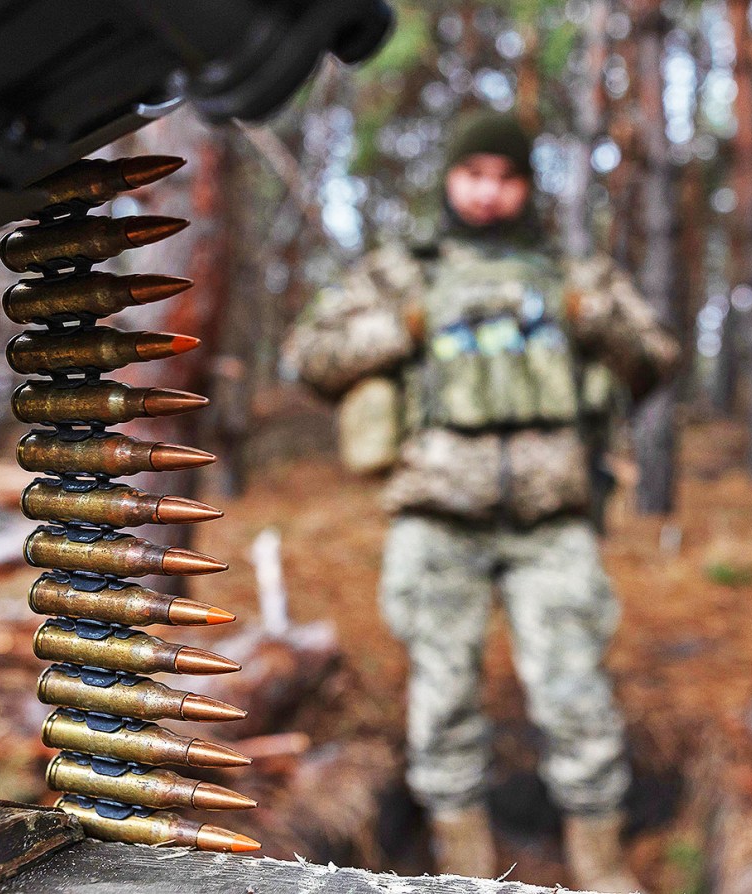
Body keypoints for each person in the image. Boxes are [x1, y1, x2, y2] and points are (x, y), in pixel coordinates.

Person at [288, 109, 678, 892]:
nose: (488, 193)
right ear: (449, 180)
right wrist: (403, 325)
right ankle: (463, 870)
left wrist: (589, 319)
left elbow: (655, 356)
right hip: (436, 518)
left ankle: (599, 867)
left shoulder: (574, 274)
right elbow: (311, 356)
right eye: (473, 175)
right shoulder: (405, 271)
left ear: (526, 187)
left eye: (505, 178)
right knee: (440, 701)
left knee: (578, 698)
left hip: (552, 521)